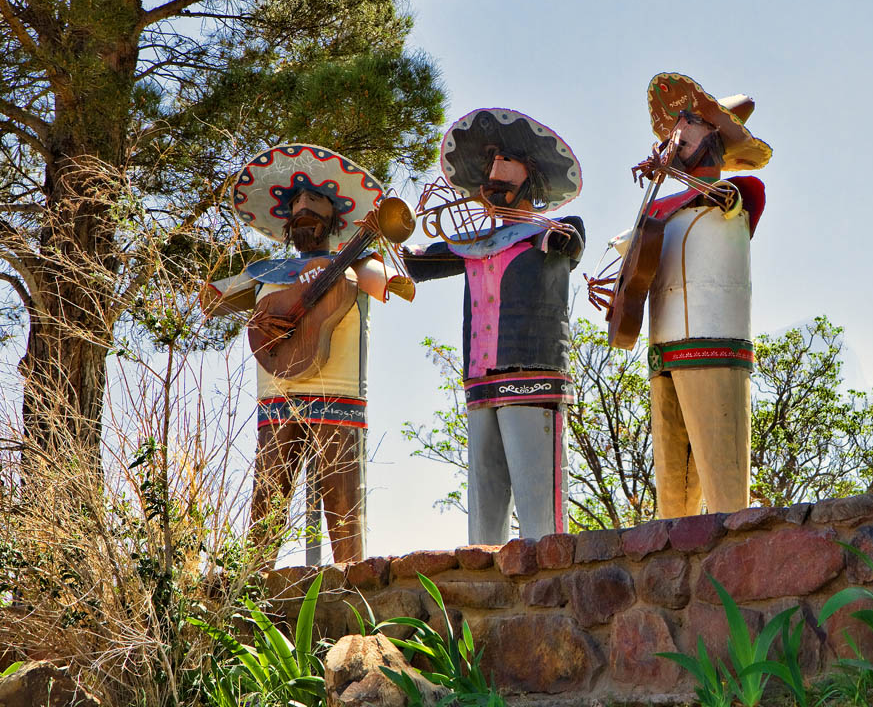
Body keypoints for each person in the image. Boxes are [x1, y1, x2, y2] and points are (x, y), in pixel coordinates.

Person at [202, 144, 413, 563]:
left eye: (313, 206)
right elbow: (212, 301)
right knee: (266, 501)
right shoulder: (263, 273)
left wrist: (383, 269)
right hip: (277, 395)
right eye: (296, 207)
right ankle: (252, 588)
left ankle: (353, 588)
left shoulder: (357, 264)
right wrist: (258, 321)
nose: (303, 211)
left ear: (333, 217)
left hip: (339, 394)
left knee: (343, 505)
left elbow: (397, 285)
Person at [404, 108, 585, 544]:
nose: (493, 173)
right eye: (489, 165)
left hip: (533, 376)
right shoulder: (471, 244)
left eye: (506, 163)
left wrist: (545, 232)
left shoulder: (556, 230)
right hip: (480, 384)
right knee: (483, 512)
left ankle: (552, 590)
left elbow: (565, 242)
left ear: (533, 174)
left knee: (541, 510)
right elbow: (415, 263)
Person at [612, 73, 771, 518]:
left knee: (726, 493)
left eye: (687, 127)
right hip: (663, 351)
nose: (674, 137)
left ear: (715, 138)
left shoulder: (734, 195)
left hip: (715, 347)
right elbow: (629, 246)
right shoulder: (662, 208)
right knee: (671, 503)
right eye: (671, 131)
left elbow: (729, 198)